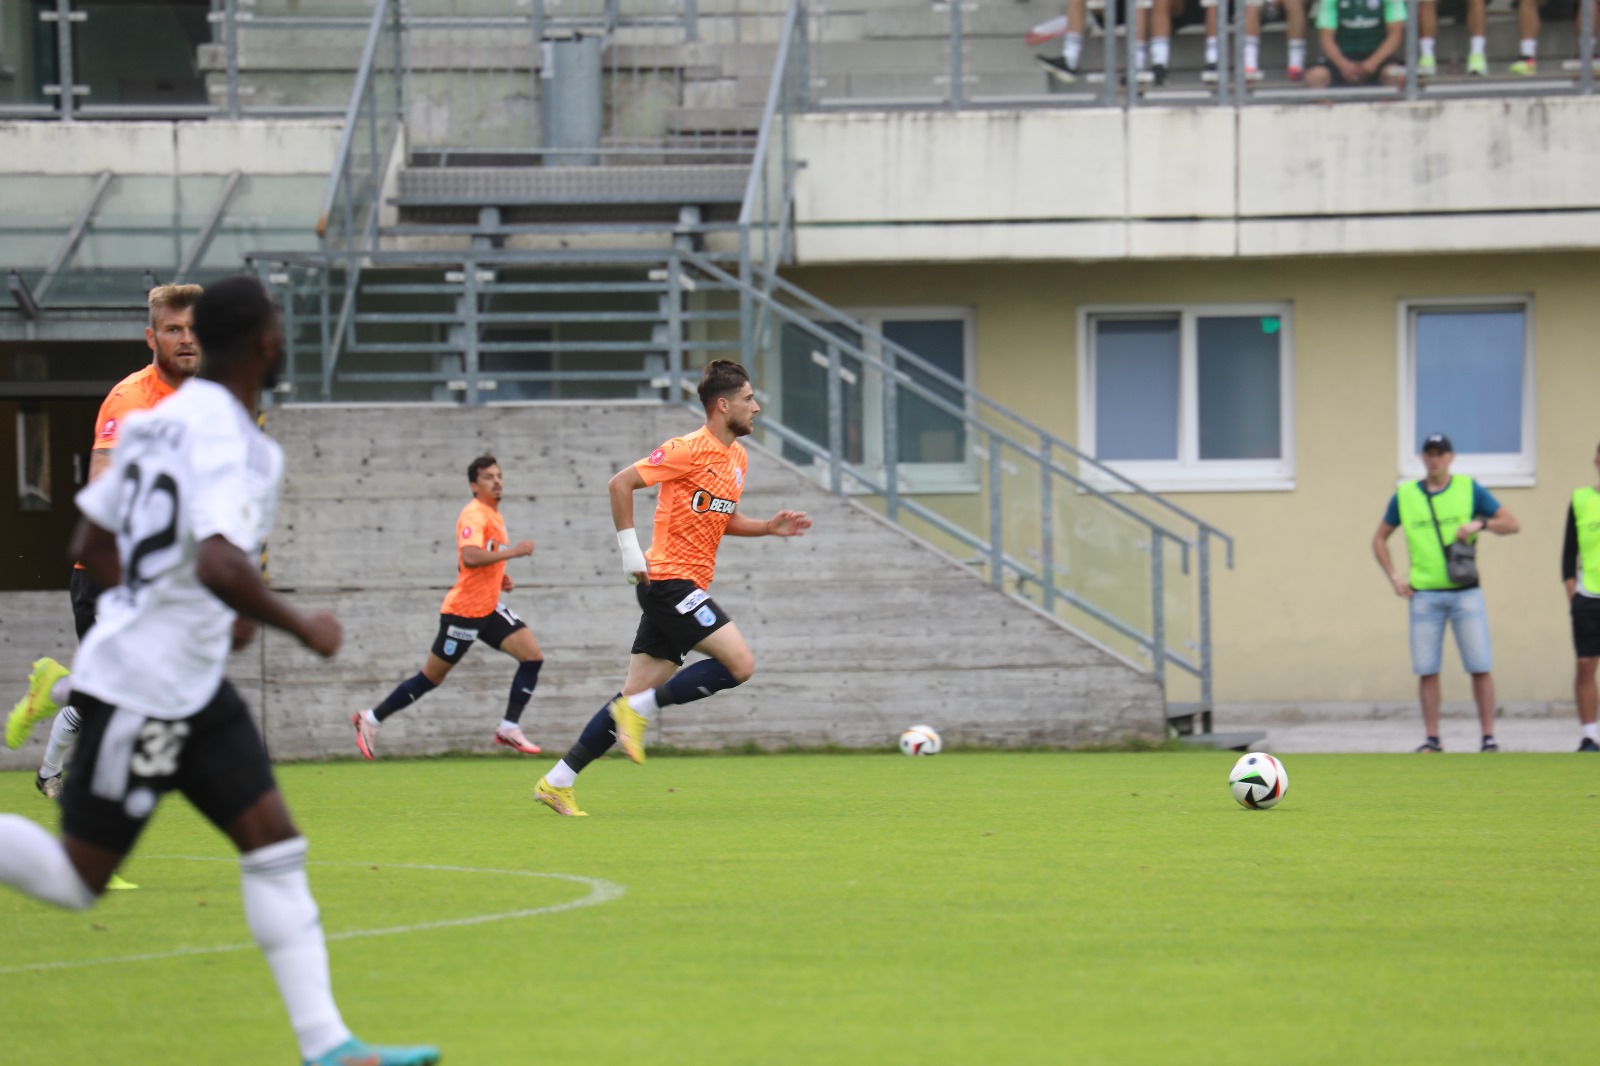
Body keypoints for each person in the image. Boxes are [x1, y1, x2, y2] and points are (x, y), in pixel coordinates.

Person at [0, 275, 440, 1066]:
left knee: (274, 843)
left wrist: (187, 602)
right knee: (76, 879)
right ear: (267, 342)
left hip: (189, 682)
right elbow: (215, 557)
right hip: (147, 687)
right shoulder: (245, 447)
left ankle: (330, 1045)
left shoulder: (153, 426)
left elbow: (95, 545)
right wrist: (300, 622)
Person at [533, 360, 812, 817]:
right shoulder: (686, 449)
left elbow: (720, 518)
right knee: (739, 665)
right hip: (667, 582)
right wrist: (630, 553)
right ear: (723, 406)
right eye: (748, 399)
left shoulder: (737, 459)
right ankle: (639, 710)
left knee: (629, 697)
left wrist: (766, 527)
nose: (756, 407)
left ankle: (557, 781)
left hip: (682, 587)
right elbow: (620, 484)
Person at [7, 284, 203, 823]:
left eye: (193, 329)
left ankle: (56, 705)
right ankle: (94, 841)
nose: (186, 340)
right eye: (173, 329)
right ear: (151, 337)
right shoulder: (132, 398)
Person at [351, 454, 545, 760]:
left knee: (532, 657)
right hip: (464, 613)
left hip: (488, 607)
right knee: (431, 678)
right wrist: (516, 553)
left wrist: (499, 577)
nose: (497, 482)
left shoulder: (494, 514)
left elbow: (481, 559)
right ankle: (370, 719)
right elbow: (469, 556)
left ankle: (508, 727)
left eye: (499, 475)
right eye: (488, 478)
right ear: (473, 485)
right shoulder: (474, 514)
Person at [1372, 432, 1520, 753]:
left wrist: (1480, 525)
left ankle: (1488, 737)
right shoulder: (1406, 496)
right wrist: (1395, 577)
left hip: (1466, 593)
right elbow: (1379, 538)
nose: (1434, 459)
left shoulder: (1469, 489)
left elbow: (1511, 523)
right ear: (1423, 458)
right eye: (1429, 453)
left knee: (1479, 665)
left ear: (1451, 457)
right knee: (1427, 669)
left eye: (1440, 453)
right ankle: (1432, 738)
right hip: (1424, 595)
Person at [1562, 441, 1600, 752]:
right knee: (1586, 665)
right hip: (1588, 596)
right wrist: (1573, 595)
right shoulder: (1580, 500)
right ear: (1596, 461)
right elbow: (1567, 555)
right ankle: (1590, 735)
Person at [1305, 0, 1407, 88]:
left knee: (1397, 76)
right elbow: (1326, 37)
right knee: (1314, 77)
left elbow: (1395, 34)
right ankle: (1327, 110)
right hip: (1341, 59)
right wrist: (1343, 65)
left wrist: (1372, 63)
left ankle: (1384, 109)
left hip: (1379, 59)